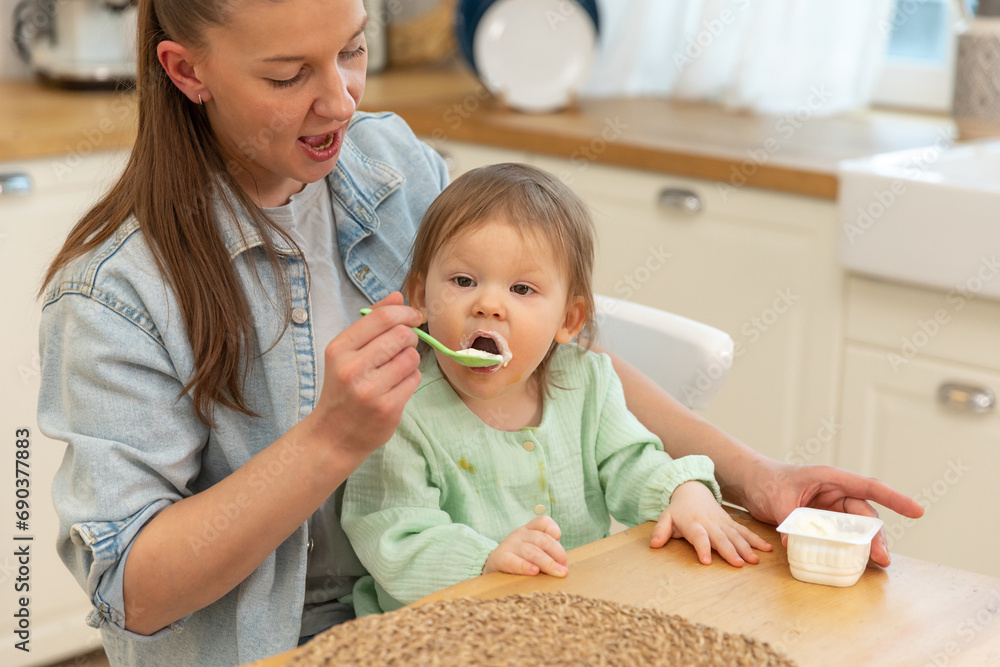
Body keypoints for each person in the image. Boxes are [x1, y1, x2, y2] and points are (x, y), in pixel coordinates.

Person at [33, 0, 922, 664]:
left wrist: (754, 475)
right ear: (188, 72)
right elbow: (132, 592)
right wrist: (331, 439)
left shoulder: (390, 168)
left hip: (483, 606)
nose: (338, 101)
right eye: (286, 76)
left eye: (352, 50)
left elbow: (563, 369)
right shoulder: (115, 295)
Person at [341, 163, 775, 615]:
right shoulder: (399, 409)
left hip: (565, 620)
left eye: (522, 288)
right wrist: (484, 561)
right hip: (437, 634)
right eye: (464, 281)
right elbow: (394, 532)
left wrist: (682, 492)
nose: (488, 304)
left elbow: (633, 460)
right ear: (420, 297)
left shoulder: (585, 383)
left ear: (568, 320)